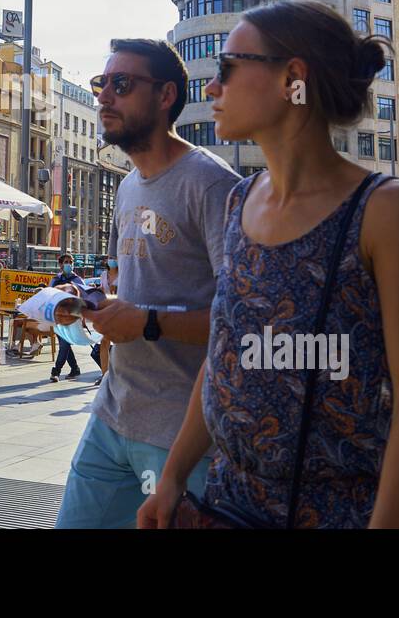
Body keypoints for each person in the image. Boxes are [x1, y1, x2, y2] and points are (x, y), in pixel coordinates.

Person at [134, 2, 399, 529]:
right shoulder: (238, 200)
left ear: (292, 78)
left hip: (338, 514)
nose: (212, 88)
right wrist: (172, 477)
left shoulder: (383, 208)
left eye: (228, 68)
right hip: (227, 507)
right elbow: (224, 354)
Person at [56, 37, 240, 529]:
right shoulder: (127, 184)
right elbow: (135, 293)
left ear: (164, 96)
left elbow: (239, 325)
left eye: (121, 84)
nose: (104, 97)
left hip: (182, 434)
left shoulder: (212, 184)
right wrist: (92, 306)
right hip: (112, 413)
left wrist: (148, 323)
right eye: (101, 84)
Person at [49, 252, 86, 382]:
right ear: (60, 265)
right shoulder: (55, 280)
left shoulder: (77, 280)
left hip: (72, 318)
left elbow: (83, 299)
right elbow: (49, 297)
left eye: (71, 262)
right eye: (66, 262)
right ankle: (75, 368)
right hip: (58, 317)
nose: (69, 264)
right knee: (65, 345)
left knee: (64, 345)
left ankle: (56, 371)